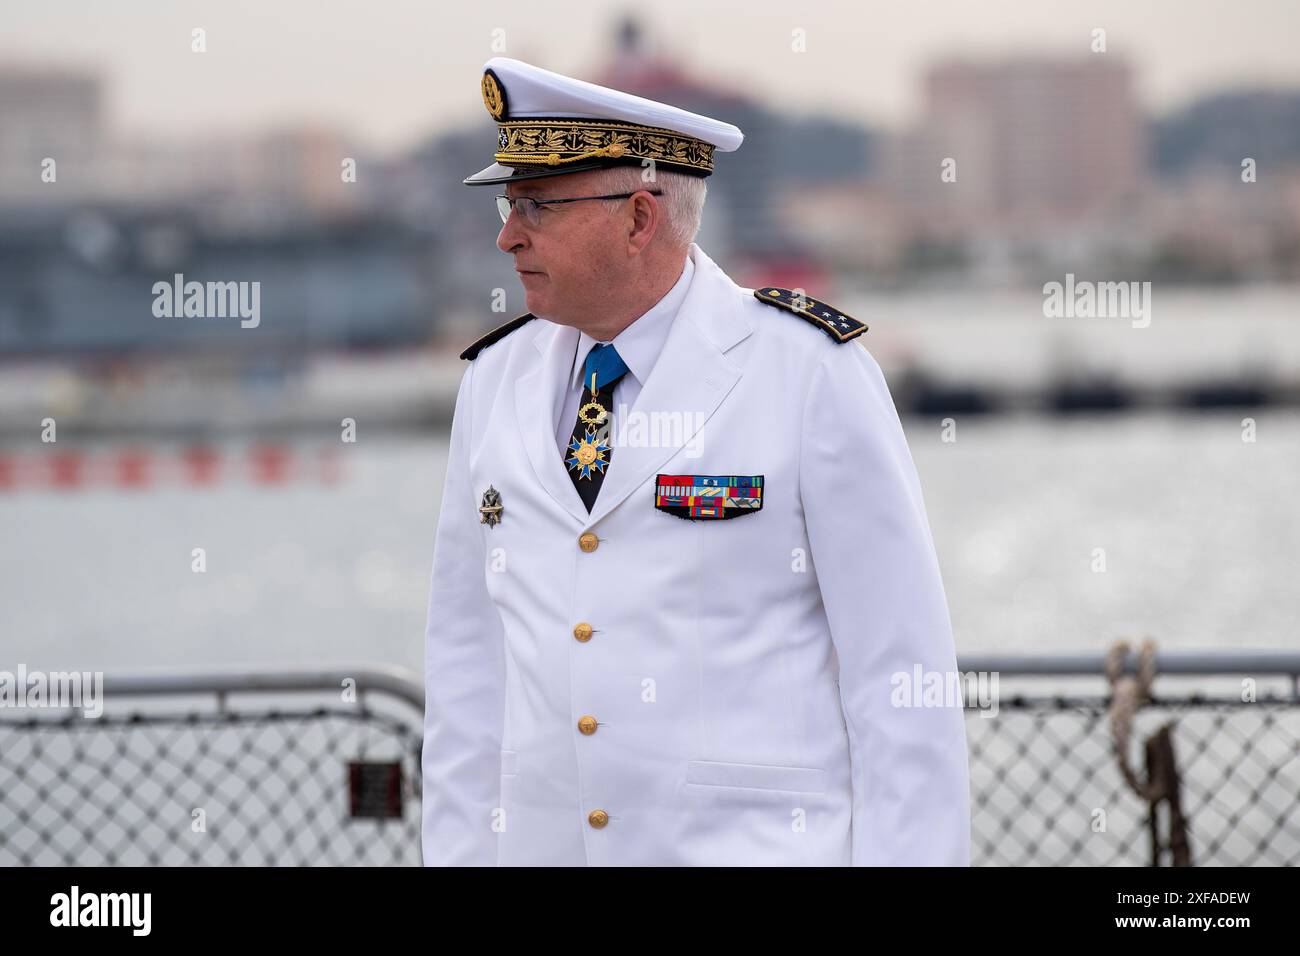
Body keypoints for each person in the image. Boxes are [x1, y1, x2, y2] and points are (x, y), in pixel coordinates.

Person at [421, 56, 970, 866]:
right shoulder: (494, 383)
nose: (507, 235)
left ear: (640, 217)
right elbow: (467, 674)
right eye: (509, 205)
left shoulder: (806, 370)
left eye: (536, 206)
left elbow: (901, 680)